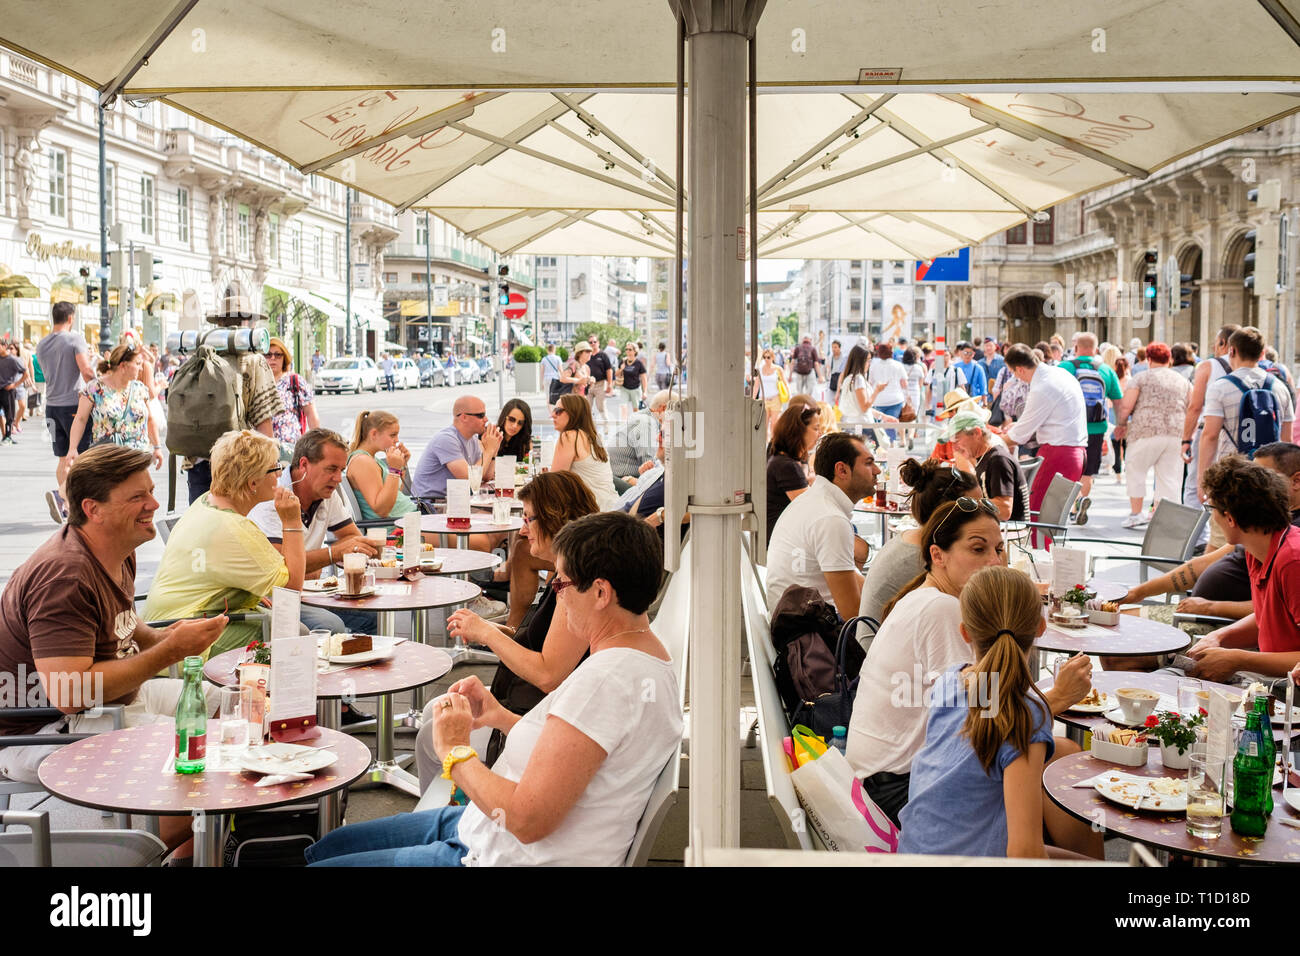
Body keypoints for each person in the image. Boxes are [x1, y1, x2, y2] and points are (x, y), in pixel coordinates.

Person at [305, 512, 682, 867]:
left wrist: (454, 751)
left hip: (492, 853)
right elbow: (575, 757)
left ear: (600, 593)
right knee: (324, 849)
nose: (556, 594)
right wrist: (500, 717)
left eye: (562, 583)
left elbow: (526, 820)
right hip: (478, 828)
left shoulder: (606, 681)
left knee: (319, 860)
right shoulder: (646, 660)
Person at [0, 445, 229, 851]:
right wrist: (169, 652)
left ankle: (204, 842)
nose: (154, 504)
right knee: (201, 759)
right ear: (94, 508)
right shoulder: (64, 576)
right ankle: (154, 856)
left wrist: (158, 638)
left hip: (106, 703)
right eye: (137, 497)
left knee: (229, 705)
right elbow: (70, 693)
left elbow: (120, 619)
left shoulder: (114, 549)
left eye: (151, 491)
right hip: (40, 727)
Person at [846, 498, 1090, 827]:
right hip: (894, 791)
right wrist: (1059, 697)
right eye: (978, 550)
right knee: (1065, 760)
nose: (994, 562)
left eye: (999, 549)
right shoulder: (943, 610)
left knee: (1058, 751)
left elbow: (982, 708)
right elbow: (985, 723)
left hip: (878, 778)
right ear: (937, 555)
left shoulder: (927, 597)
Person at [899, 566, 1100, 859]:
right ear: (1041, 628)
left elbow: (990, 717)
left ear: (965, 632)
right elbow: (1024, 854)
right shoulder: (1027, 715)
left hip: (912, 853)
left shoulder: (950, 682)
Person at [431, 472, 599, 771]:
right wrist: (492, 631)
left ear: (554, 519)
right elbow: (543, 641)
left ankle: (460, 811)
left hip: (533, 722)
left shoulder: (574, 584)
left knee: (431, 732)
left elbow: (549, 674)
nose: (523, 531)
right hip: (530, 712)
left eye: (528, 519)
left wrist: (488, 633)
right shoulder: (569, 573)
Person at [143, 430, 305, 659]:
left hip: (163, 630)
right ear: (252, 483)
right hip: (180, 644)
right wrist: (291, 521)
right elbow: (291, 589)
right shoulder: (232, 527)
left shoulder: (206, 502)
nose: (280, 472)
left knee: (290, 626)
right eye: (274, 468)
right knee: (291, 631)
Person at [250, 427, 382, 641]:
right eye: (331, 469)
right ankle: (317, 673)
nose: (338, 478)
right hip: (274, 598)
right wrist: (330, 555)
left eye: (341, 469)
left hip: (311, 592)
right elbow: (282, 570)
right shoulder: (272, 497)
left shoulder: (325, 492)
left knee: (371, 613)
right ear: (304, 464)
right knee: (330, 624)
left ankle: (361, 670)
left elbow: (352, 537)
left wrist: (314, 561)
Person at [1180, 456, 1300, 682]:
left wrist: (1237, 659)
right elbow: (1269, 617)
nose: (1212, 517)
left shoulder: (1293, 561)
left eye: (1211, 507)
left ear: (1230, 518)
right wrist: (1219, 637)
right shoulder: (1258, 549)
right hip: (1272, 676)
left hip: (1287, 688)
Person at [764, 432, 878, 620]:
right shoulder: (830, 518)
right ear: (842, 470)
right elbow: (855, 616)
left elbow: (852, 576)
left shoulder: (816, 502)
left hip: (796, 623)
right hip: (812, 634)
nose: (877, 470)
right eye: (868, 463)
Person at [856, 460, 979, 630]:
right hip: (878, 651)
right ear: (946, 511)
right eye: (973, 507)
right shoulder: (925, 557)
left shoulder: (911, 539)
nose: (983, 516)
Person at [1199, 327, 1295, 514]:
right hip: (1269, 478)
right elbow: (1287, 440)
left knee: (1224, 538)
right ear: (1262, 353)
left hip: (1231, 475)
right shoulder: (1279, 387)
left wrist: (1203, 481)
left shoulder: (1220, 387)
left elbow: (1210, 436)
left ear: (1231, 351)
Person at [1001, 344, 1087, 545]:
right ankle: (1047, 558)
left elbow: (1020, 435)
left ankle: (1039, 561)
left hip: (1059, 453)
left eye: (1014, 372)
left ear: (1020, 369)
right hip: (1074, 451)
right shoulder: (1059, 374)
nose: (1016, 377)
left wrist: (994, 440)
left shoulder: (1043, 387)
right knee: (1052, 516)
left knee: (1037, 513)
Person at [1112, 342, 1190, 528]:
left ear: (1148, 359)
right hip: (1175, 432)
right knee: (1169, 477)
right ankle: (1165, 519)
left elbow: (1126, 406)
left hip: (1145, 431)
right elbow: (1192, 405)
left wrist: (1121, 425)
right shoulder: (1182, 381)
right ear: (1169, 359)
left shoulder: (1140, 378)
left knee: (1136, 470)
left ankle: (1136, 514)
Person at [64, 342, 164, 471]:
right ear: (124, 366)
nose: (141, 369)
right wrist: (72, 448)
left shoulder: (140, 389)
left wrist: (157, 447)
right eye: (138, 364)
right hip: (107, 459)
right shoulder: (95, 388)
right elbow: (80, 419)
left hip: (137, 458)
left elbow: (149, 419)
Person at [37, 302, 95, 519]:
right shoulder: (74, 339)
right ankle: (67, 498)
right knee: (81, 456)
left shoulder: (42, 344)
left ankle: (65, 504)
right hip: (73, 406)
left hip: (51, 406)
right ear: (71, 318)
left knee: (63, 457)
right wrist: (100, 387)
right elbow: (86, 370)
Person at [1058, 332, 1124, 503]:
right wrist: (1121, 424)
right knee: (1088, 471)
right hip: (1096, 427)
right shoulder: (1106, 370)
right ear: (1096, 349)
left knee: (1070, 468)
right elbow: (1118, 401)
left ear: (1076, 348)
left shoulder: (1064, 368)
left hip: (1069, 428)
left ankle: (1068, 506)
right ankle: (1080, 503)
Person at [412, 396, 503, 500]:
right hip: (431, 504)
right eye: (481, 415)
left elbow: (486, 476)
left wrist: (494, 451)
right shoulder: (446, 439)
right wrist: (489, 450)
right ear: (464, 417)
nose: (486, 419)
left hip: (454, 501)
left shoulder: (472, 439)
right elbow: (471, 479)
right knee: (495, 511)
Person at [946, 410, 1028, 521]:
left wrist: (964, 506)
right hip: (1001, 528)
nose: (954, 447)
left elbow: (1004, 510)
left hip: (1013, 533)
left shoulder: (998, 460)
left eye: (956, 439)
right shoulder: (985, 458)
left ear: (977, 433)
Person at [549, 393, 620, 512]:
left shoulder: (569, 436)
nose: (552, 415)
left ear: (573, 413)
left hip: (591, 515)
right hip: (612, 508)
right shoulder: (595, 437)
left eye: (558, 411)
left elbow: (553, 484)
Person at [344, 410, 418, 522]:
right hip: (398, 527)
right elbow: (382, 509)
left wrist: (401, 466)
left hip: (407, 519)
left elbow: (395, 493)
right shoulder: (363, 462)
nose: (397, 440)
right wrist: (394, 470)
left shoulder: (371, 459)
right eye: (393, 435)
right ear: (373, 434)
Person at [765, 401, 824, 543]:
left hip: (781, 536)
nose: (820, 433)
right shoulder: (786, 466)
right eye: (816, 428)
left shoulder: (779, 458)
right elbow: (810, 509)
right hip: (784, 542)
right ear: (799, 430)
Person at [266, 336, 319, 445]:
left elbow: (311, 414)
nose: (273, 358)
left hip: (291, 447)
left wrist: (316, 443)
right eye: (268, 354)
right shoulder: (256, 382)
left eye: (277, 355)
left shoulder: (294, 380)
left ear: (284, 358)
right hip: (264, 449)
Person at [868, 342, 910, 438]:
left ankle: (880, 447)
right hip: (895, 400)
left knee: (879, 427)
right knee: (891, 424)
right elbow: (904, 384)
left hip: (878, 400)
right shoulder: (898, 365)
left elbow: (870, 383)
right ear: (891, 352)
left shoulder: (874, 366)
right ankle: (891, 446)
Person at [835, 344, 875, 432]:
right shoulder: (858, 379)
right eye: (868, 360)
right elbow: (864, 407)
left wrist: (882, 416)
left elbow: (860, 407)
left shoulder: (850, 378)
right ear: (860, 361)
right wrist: (877, 392)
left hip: (853, 424)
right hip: (863, 427)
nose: (869, 364)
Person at [752, 348, 789, 436]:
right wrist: (753, 398)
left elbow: (785, 383)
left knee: (774, 424)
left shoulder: (778, 369)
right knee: (764, 425)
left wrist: (788, 395)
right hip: (763, 400)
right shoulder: (760, 370)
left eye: (768, 357)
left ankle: (772, 444)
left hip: (775, 399)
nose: (766, 359)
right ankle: (765, 445)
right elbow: (756, 385)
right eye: (764, 357)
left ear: (773, 357)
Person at [0, 340, 26, 446]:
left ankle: (8, 436)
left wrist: (15, 385)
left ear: (4, 346)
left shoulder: (13, 360)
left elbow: (26, 373)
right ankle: (5, 436)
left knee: (9, 414)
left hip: (8, 391)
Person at [585, 334, 614, 423]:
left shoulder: (603, 355)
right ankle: (590, 428)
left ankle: (606, 426)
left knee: (601, 407)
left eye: (595, 342)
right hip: (588, 385)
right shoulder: (586, 355)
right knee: (587, 408)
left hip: (600, 384)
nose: (593, 343)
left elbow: (609, 370)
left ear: (598, 343)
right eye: (590, 342)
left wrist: (610, 384)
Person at [615, 342, 648, 411]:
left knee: (636, 409)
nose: (627, 351)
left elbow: (644, 378)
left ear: (635, 351)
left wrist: (644, 392)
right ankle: (624, 422)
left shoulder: (638, 363)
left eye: (630, 349)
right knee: (623, 407)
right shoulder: (623, 361)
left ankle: (635, 421)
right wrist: (621, 369)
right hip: (624, 388)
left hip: (635, 389)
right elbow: (616, 374)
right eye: (626, 349)